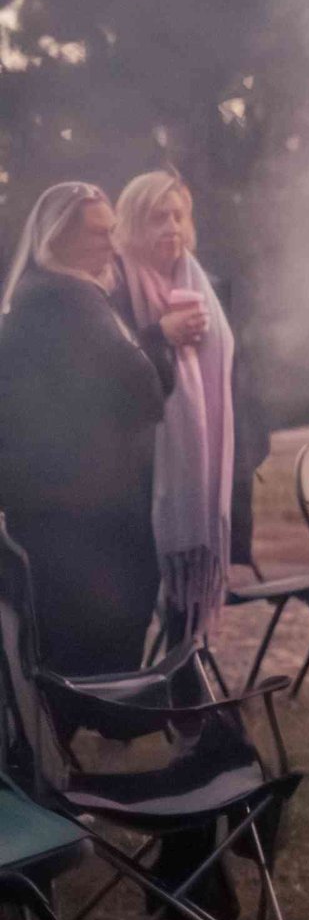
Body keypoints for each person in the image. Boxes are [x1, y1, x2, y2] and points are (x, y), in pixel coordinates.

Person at [0, 184, 174, 676]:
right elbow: (142, 393)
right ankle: (65, 736)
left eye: (112, 231)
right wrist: (161, 342)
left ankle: (69, 737)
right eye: (97, 234)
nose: (111, 245)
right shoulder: (65, 301)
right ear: (56, 238)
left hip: (70, 500)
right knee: (86, 632)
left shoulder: (61, 297)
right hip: (79, 506)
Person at [111, 172, 236, 646]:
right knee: (136, 598)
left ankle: (188, 699)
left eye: (178, 216)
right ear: (130, 224)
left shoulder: (201, 281)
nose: (171, 228)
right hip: (137, 465)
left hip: (199, 467)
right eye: (156, 218)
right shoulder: (115, 282)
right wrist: (162, 333)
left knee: (188, 602)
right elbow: (110, 370)